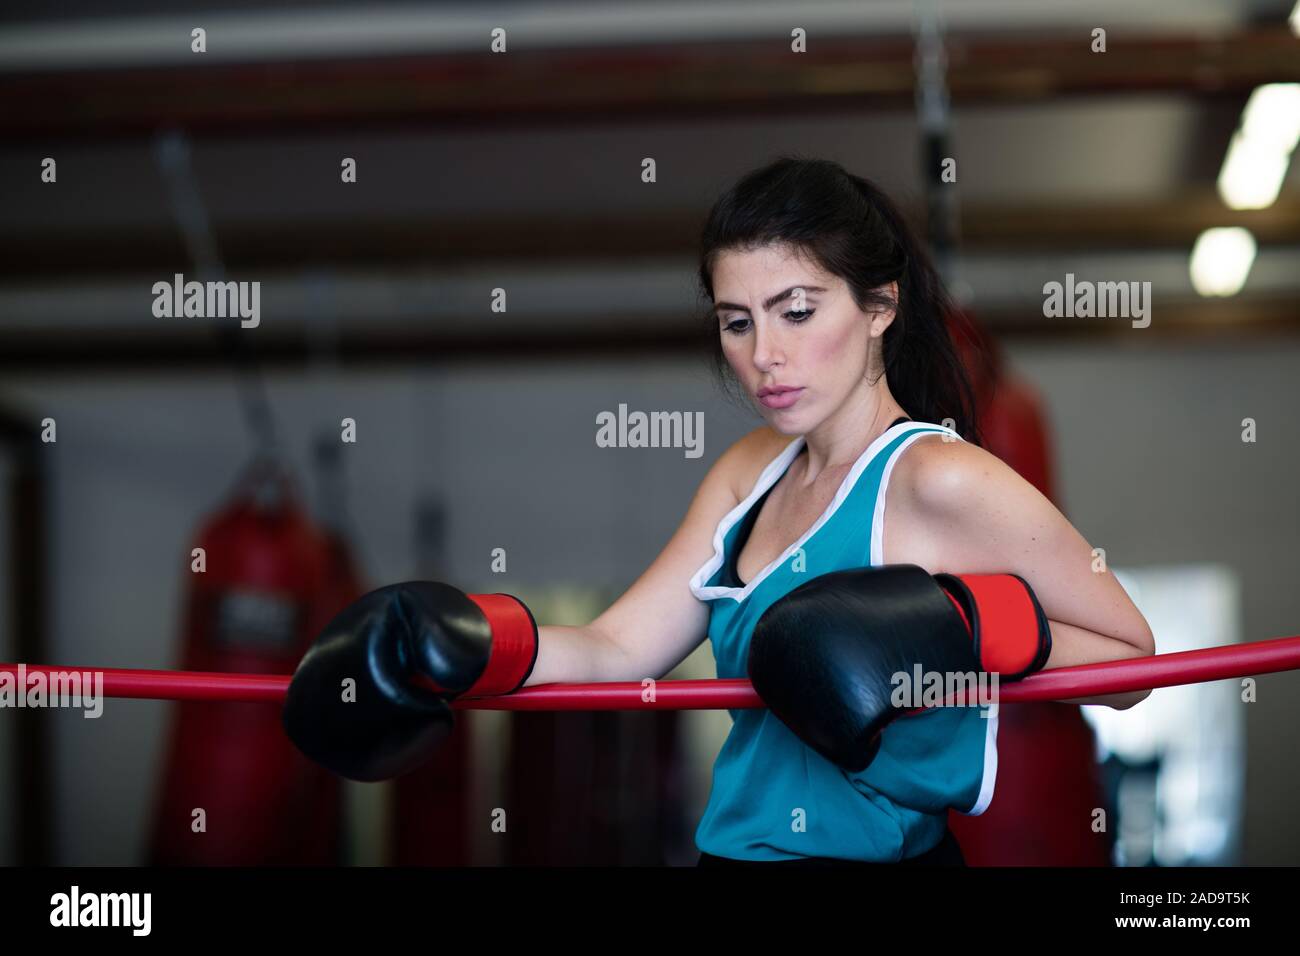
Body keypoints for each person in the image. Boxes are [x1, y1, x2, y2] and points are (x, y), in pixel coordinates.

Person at [283, 157, 1156, 866]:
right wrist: (469, 639)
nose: (765, 356)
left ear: (880, 306)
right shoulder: (749, 473)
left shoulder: (939, 479)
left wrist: (964, 626)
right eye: (737, 323)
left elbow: (1133, 663)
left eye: (798, 311)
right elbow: (618, 649)